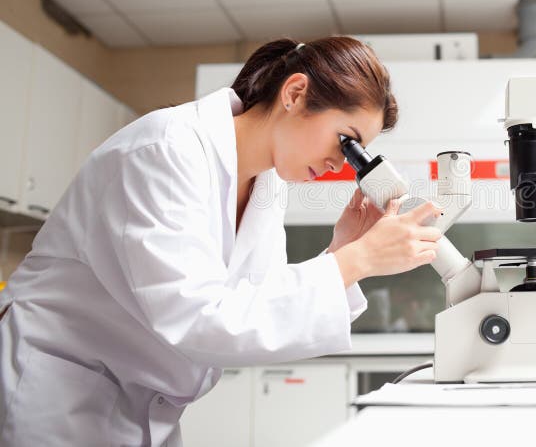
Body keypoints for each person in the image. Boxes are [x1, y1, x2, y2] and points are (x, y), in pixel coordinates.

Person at [0, 37, 442, 446]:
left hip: (140, 409)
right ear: (294, 94)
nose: (342, 164)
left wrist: (341, 252)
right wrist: (357, 261)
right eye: (347, 142)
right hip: (57, 392)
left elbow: (255, 305)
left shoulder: (267, 184)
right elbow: (198, 318)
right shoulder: (167, 148)